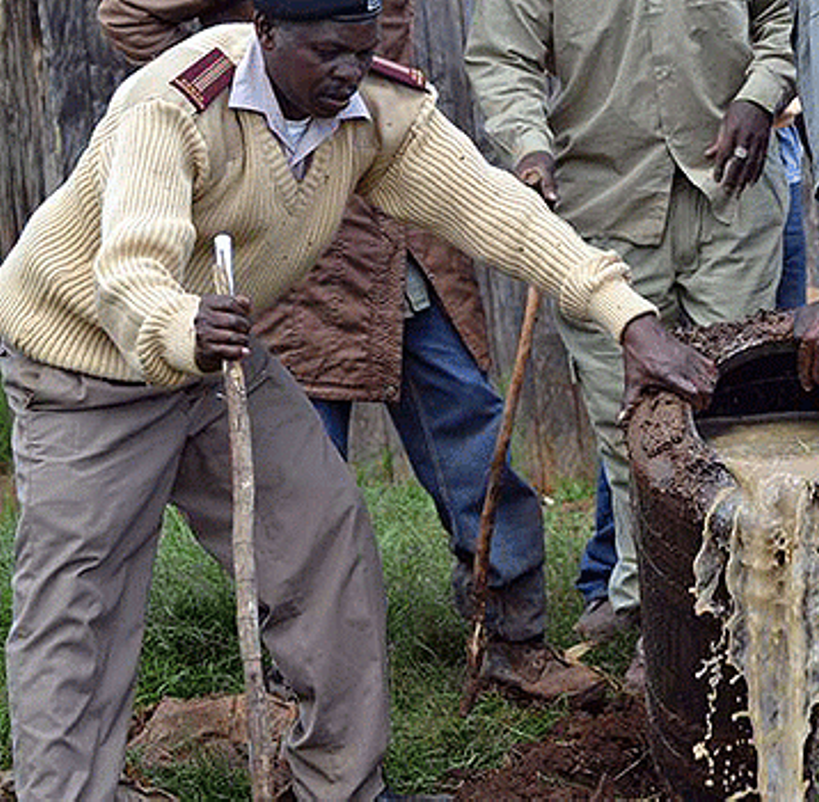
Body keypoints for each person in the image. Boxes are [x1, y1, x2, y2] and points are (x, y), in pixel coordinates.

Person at [0, 0, 719, 796]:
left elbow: (496, 211)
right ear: (267, 32)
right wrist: (178, 325)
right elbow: (130, 268)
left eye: (361, 49)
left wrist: (628, 318)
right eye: (327, 53)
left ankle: (344, 787)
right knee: (81, 605)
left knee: (325, 543)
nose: (348, 72)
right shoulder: (175, 104)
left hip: (219, 360)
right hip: (85, 365)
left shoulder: (373, 109)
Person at [97, 0, 605, 704]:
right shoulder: (247, 54)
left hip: (408, 243)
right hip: (302, 267)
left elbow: (407, 120)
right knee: (297, 488)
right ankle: (298, 680)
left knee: (475, 439)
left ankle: (513, 639)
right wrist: (243, 114)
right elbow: (128, 14)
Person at [464, 0, 794, 686]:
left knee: (730, 414)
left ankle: (738, 615)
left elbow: (785, 17)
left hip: (730, 194)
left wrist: (761, 94)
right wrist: (528, 144)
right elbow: (502, 56)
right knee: (634, 435)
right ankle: (661, 619)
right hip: (602, 207)